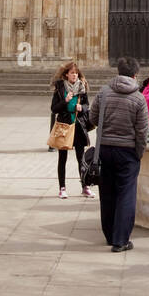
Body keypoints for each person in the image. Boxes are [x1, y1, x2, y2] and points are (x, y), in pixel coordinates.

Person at [88, 56, 149, 252]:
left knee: (107, 193)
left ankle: (109, 234)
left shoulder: (104, 93)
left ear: (118, 72)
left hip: (104, 149)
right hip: (128, 152)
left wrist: (106, 130)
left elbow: (93, 117)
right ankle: (120, 239)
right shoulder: (139, 98)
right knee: (126, 194)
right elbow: (142, 131)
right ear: (135, 74)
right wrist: (138, 153)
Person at [50, 60, 93, 199]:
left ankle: (85, 186)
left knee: (81, 159)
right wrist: (65, 101)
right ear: (66, 75)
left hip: (78, 126)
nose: (74, 75)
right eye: (72, 73)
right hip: (64, 126)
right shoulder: (60, 89)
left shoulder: (82, 88)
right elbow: (54, 108)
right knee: (62, 158)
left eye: (76, 73)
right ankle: (62, 188)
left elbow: (87, 105)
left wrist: (83, 108)